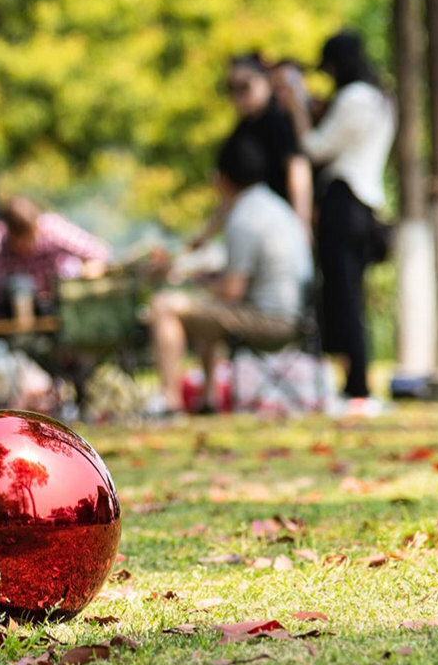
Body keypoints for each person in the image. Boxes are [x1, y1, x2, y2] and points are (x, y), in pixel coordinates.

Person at [150, 134, 314, 414]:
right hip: (298, 316)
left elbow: (231, 291)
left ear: (222, 179)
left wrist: (189, 281)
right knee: (203, 311)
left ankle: (171, 401)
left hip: (270, 323)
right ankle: (208, 399)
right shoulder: (275, 207)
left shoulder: (243, 218)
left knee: (165, 306)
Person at [276, 30, 395, 406]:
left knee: (344, 298)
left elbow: (314, 148)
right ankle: (353, 381)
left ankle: (356, 386)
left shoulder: (355, 98)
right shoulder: (377, 98)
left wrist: (297, 108)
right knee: (349, 297)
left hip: (345, 202)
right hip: (364, 205)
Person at [192, 54, 313, 249]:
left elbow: (298, 172)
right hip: (254, 228)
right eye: (231, 89)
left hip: (281, 229)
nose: (237, 96)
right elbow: (230, 194)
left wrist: (301, 228)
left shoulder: (279, 122)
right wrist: (204, 236)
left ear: (265, 81)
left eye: (244, 86)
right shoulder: (240, 132)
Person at [0, 196, 111, 315]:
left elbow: (98, 252)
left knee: (70, 269)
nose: (26, 245)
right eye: (20, 239)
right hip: (18, 313)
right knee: (19, 285)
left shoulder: (51, 228)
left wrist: (86, 277)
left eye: (29, 236)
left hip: (63, 305)